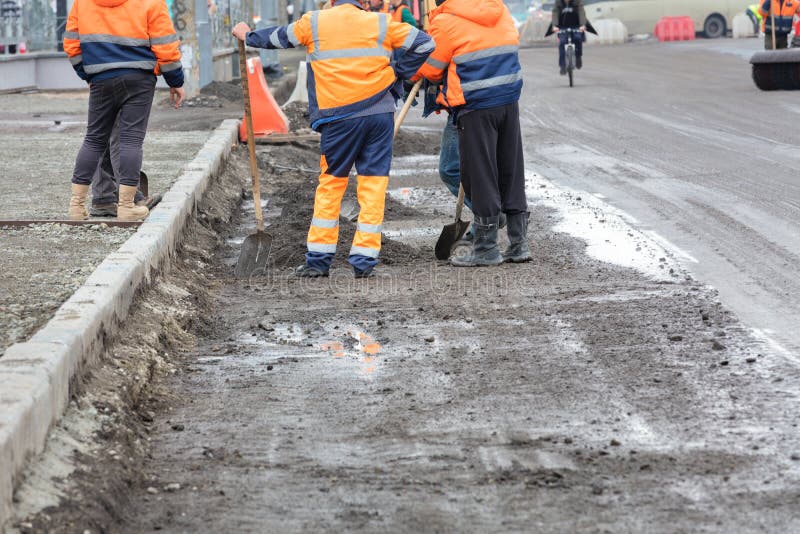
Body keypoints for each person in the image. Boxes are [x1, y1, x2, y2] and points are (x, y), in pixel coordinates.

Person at [232, 0, 433, 278]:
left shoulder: (314, 22)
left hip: (339, 118)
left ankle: (318, 261)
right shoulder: (381, 22)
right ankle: (364, 262)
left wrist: (248, 35)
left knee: (331, 185)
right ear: (362, 2)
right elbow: (424, 43)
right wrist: (398, 71)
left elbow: (280, 38)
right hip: (379, 114)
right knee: (373, 186)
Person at [412, 0, 529, 267]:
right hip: (508, 100)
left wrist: (414, 69)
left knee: (481, 175)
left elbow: (431, 68)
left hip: (475, 105)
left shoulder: (446, 20)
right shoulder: (500, 10)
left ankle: (487, 249)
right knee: (510, 171)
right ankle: (519, 244)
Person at [63, 0, 184, 221]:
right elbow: (165, 45)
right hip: (139, 79)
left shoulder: (82, 3)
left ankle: (76, 207)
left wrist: (88, 73)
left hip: (101, 78)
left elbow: (71, 44)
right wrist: (175, 80)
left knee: (93, 139)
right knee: (130, 140)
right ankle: (127, 207)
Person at [552, 0, 586, 75]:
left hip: (576, 26)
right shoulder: (558, 2)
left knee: (578, 38)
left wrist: (582, 25)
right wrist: (555, 26)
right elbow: (555, 13)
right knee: (562, 43)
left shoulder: (577, 2)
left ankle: (578, 57)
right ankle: (562, 66)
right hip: (562, 27)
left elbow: (581, 12)